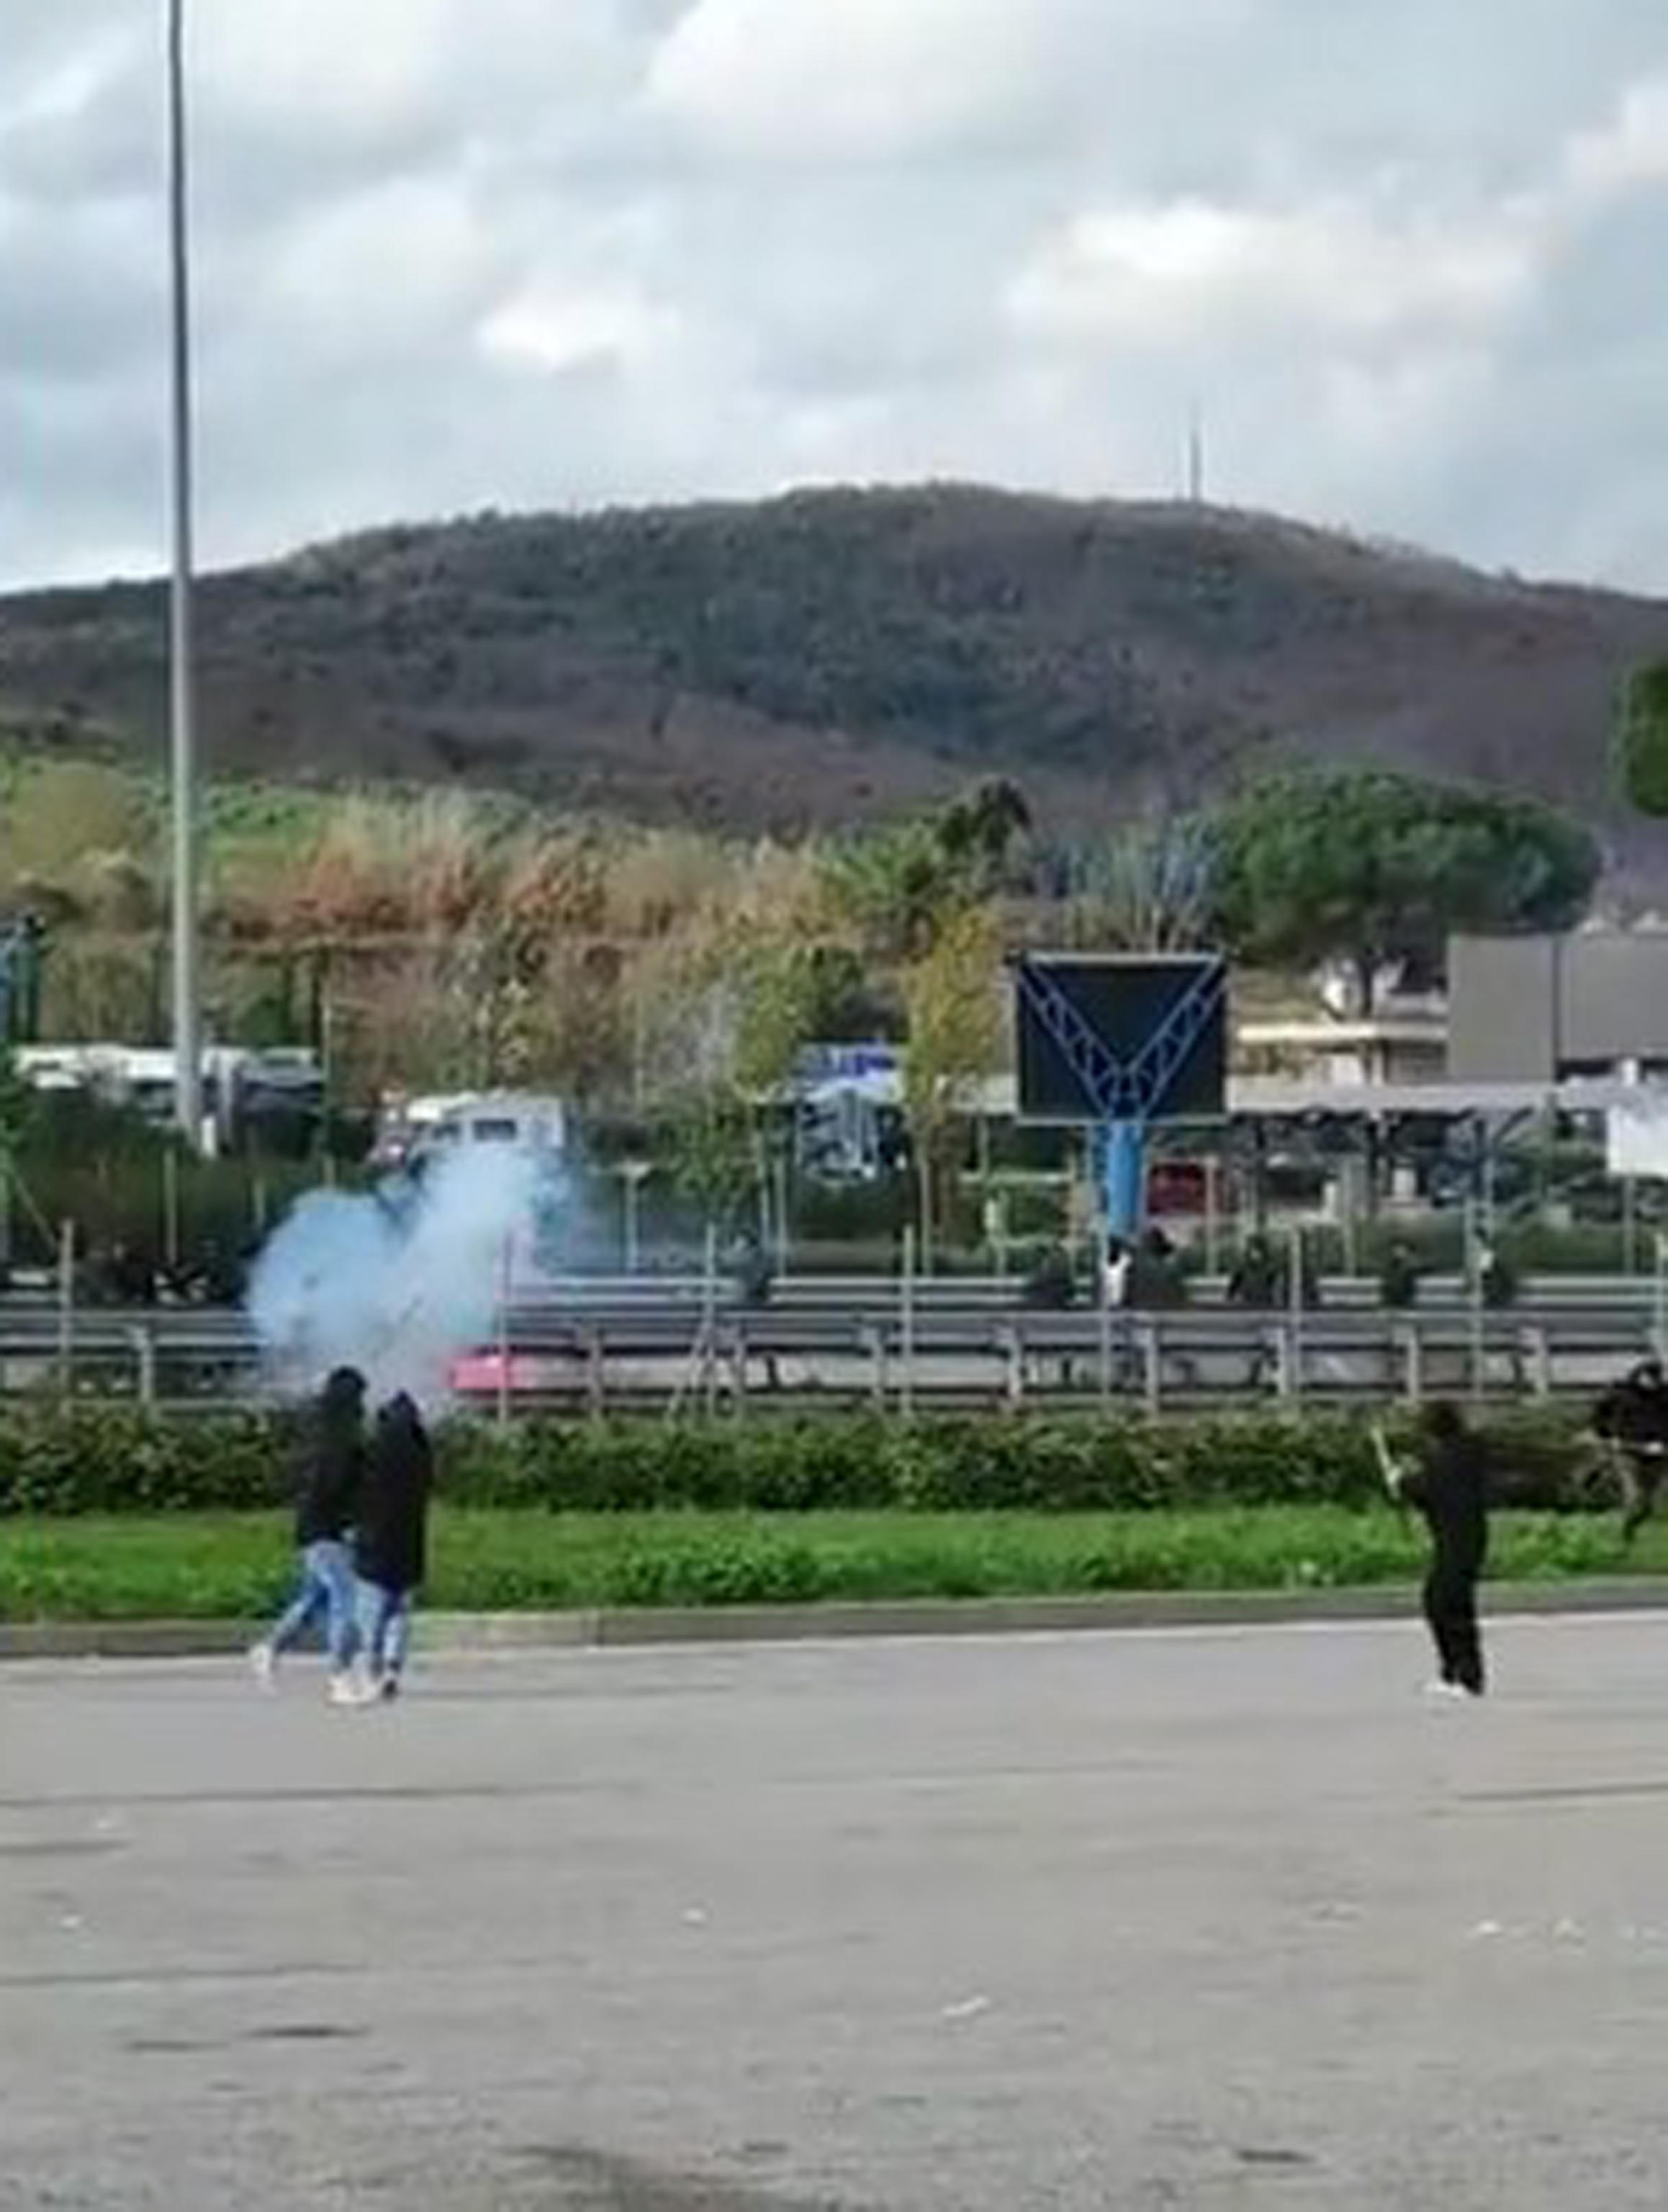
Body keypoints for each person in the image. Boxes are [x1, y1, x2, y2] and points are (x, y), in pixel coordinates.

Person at [249, 1366, 367, 1704]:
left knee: (313, 1600)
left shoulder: (322, 1434)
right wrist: (351, 1522)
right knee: (347, 1599)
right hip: (327, 1532)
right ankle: (340, 1676)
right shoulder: (342, 1444)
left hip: (313, 1529)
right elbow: (336, 1489)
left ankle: (269, 1648)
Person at [1376, 1401, 1490, 1699]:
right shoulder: (1460, 1454)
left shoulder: (1450, 1460)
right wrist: (1406, 1480)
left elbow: (1429, 1489)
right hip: (1462, 1537)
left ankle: (1467, 1676)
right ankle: (1453, 1671)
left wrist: (1400, 1482)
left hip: (1460, 1539)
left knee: (1448, 1604)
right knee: (1442, 1601)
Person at [351, 1393, 434, 1701]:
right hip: (411, 1544)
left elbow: (356, 1490)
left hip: (374, 1543)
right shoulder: (421, 1452)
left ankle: (370, 1668)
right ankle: (392, 1669)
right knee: (400, 1612)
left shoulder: (373, 1451)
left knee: (373, 1611)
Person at [1592, 1358, 1668, 1545]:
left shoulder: (1665, 1396)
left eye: (1656, 1377)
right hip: (1628, 1450)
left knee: (1649, 1503)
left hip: (1658, 1453)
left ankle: (1631, 1527)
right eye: (1649, 1377)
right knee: (1634, 1495)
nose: (1652, 1382)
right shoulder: (1621, 1394)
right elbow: (1599, 1415)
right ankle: (1623, 1536)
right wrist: (1607, 1436)